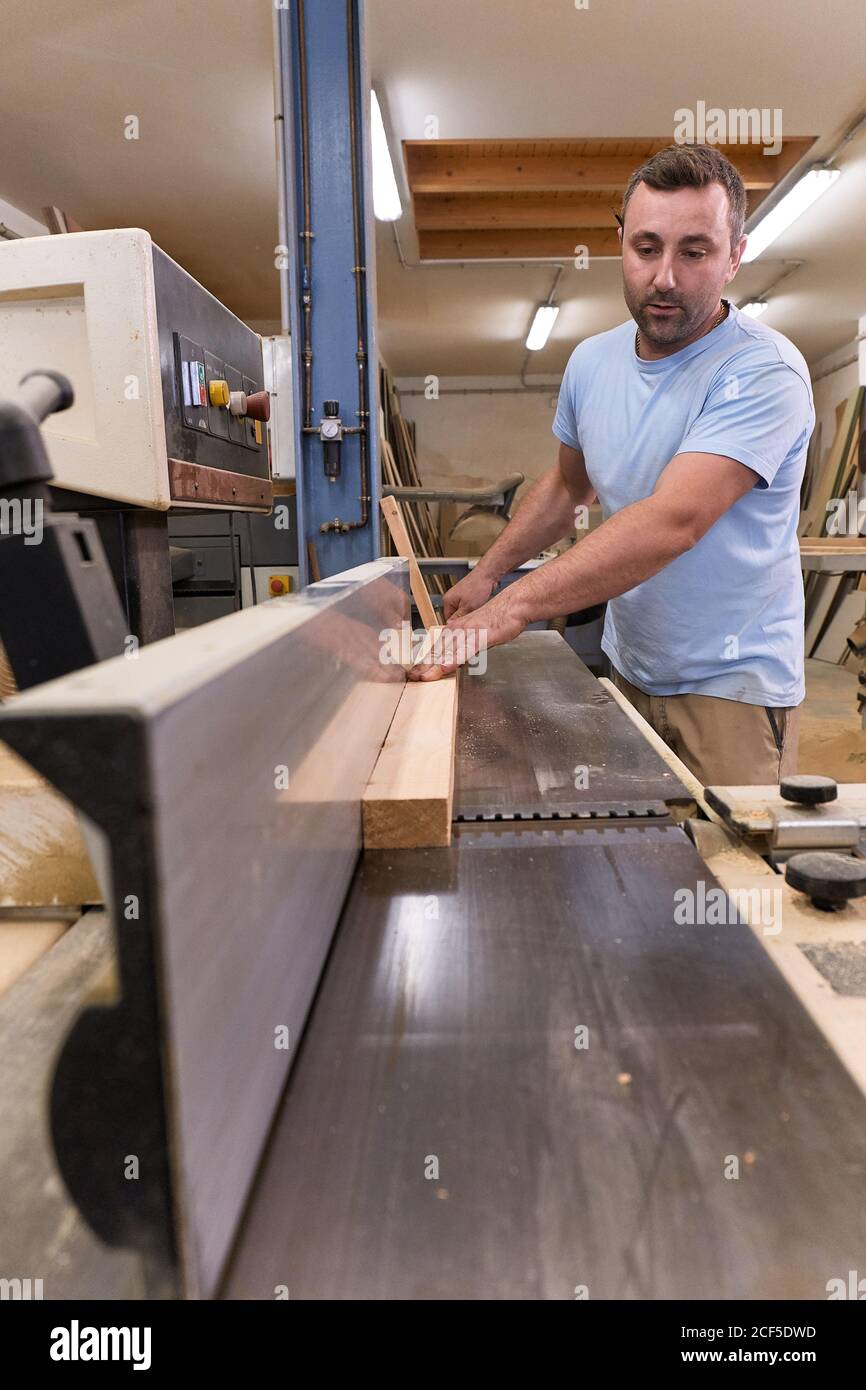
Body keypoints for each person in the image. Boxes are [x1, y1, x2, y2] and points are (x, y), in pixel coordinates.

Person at [411, 143, 815, 787]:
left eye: (695, 251)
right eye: (647, 247)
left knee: (734, 876)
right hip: (630, 665)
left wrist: (511, 610)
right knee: (641, 857)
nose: (665, 278)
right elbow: (571, 486)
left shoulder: (762, 372)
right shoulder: (591, 364)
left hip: (733, 687)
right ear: (619, 242)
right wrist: (488, 575)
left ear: (735, 256)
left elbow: (672, 522)